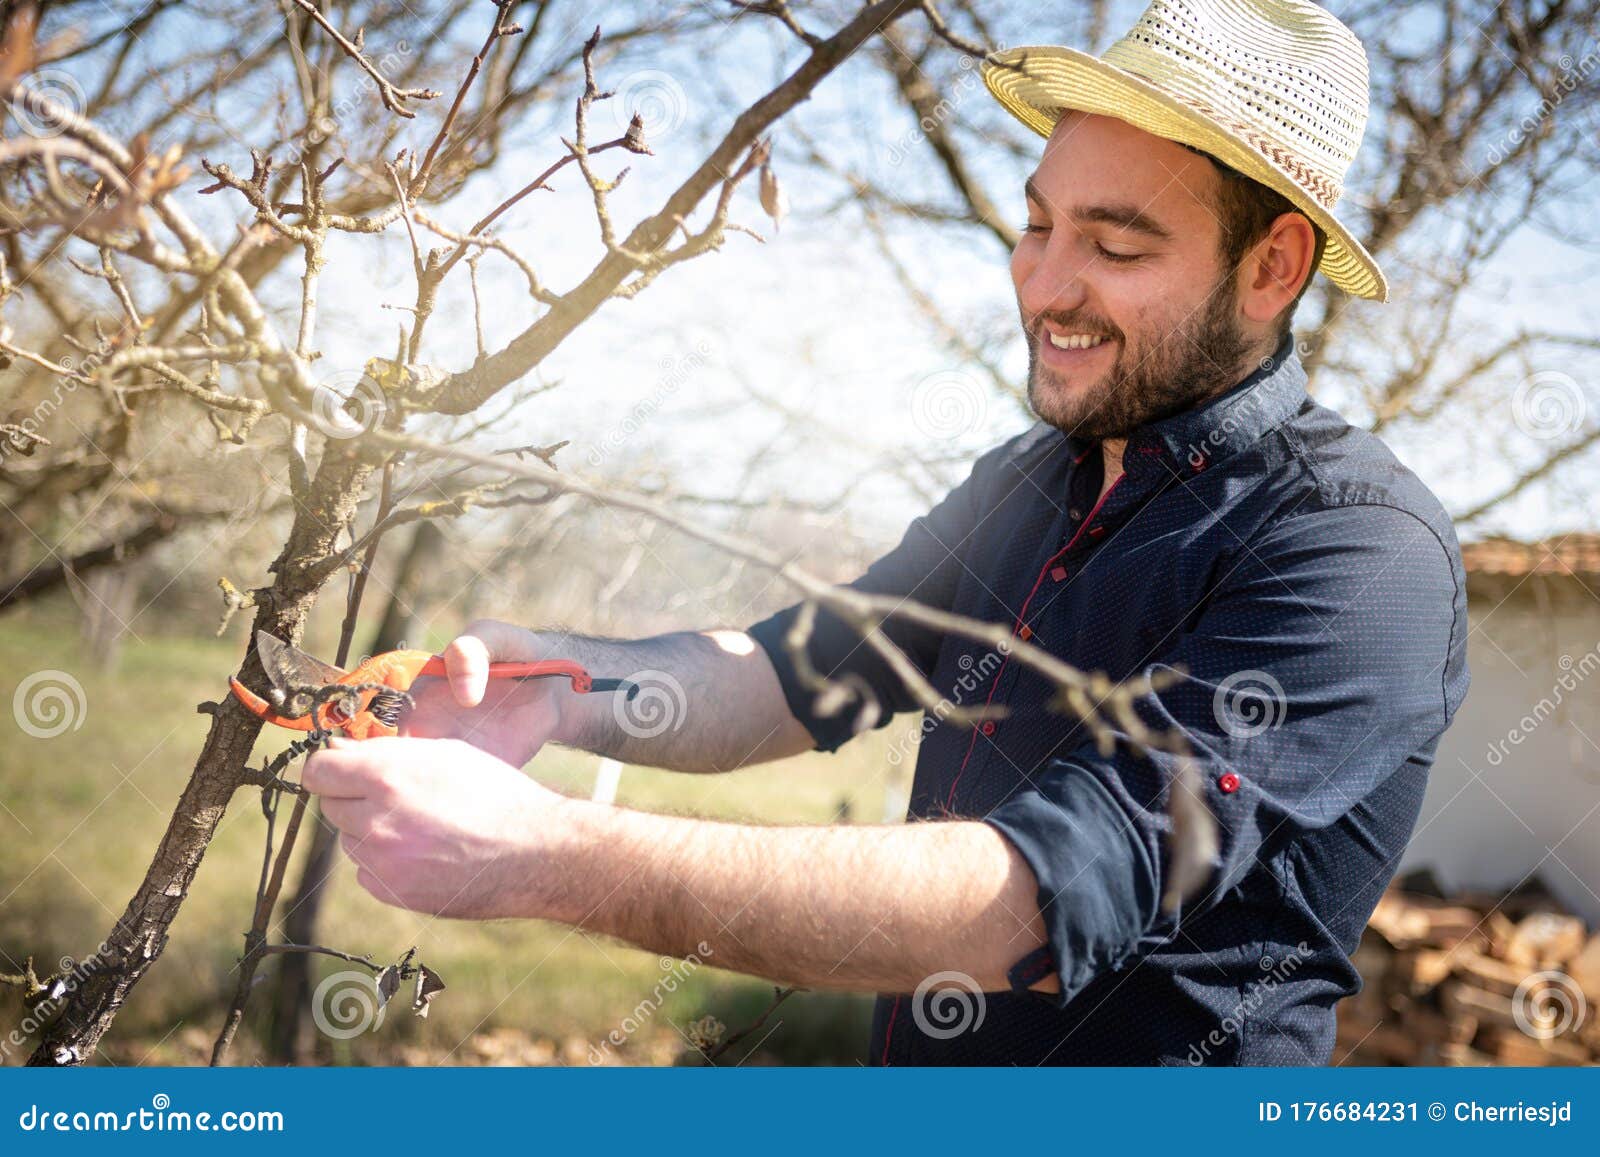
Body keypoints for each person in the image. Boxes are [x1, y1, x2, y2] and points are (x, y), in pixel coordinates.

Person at [304, 0, 1469, 1065]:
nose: (1046, 288)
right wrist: (560, 685)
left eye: (1116, 248)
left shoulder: (1358, 556)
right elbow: (797, 669)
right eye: (1037, 225)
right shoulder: (1027, 483)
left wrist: (547, 854)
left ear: (1271, 265)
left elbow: (1034, 898)